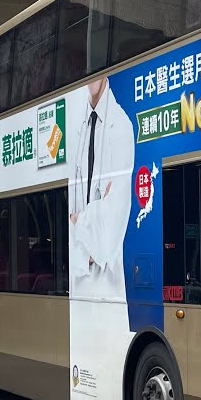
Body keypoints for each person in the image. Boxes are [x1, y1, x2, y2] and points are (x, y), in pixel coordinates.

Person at [69, 76, 135, 301]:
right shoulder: (77, 127)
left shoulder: (121, 125)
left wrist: (80, 220)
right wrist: (93, 214)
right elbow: (70, 211)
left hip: (106, 283)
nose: (90, 74)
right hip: (76, 286)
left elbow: (115, 213)